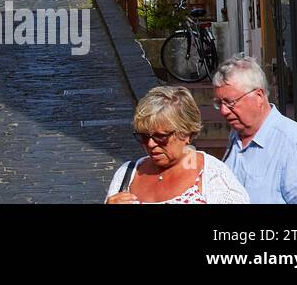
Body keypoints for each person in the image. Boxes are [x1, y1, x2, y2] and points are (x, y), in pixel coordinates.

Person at [213, 54, 297, 204]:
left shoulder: (292, 141)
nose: (223, 111)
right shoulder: (236, 134)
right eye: (219, 103)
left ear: (258, 96)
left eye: (230, 102)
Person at [105, 86, 248, 204]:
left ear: (185, 134)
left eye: (161, 137)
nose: (150, 143)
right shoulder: (127, 174)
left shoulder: (214, 177)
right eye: (143, 136)